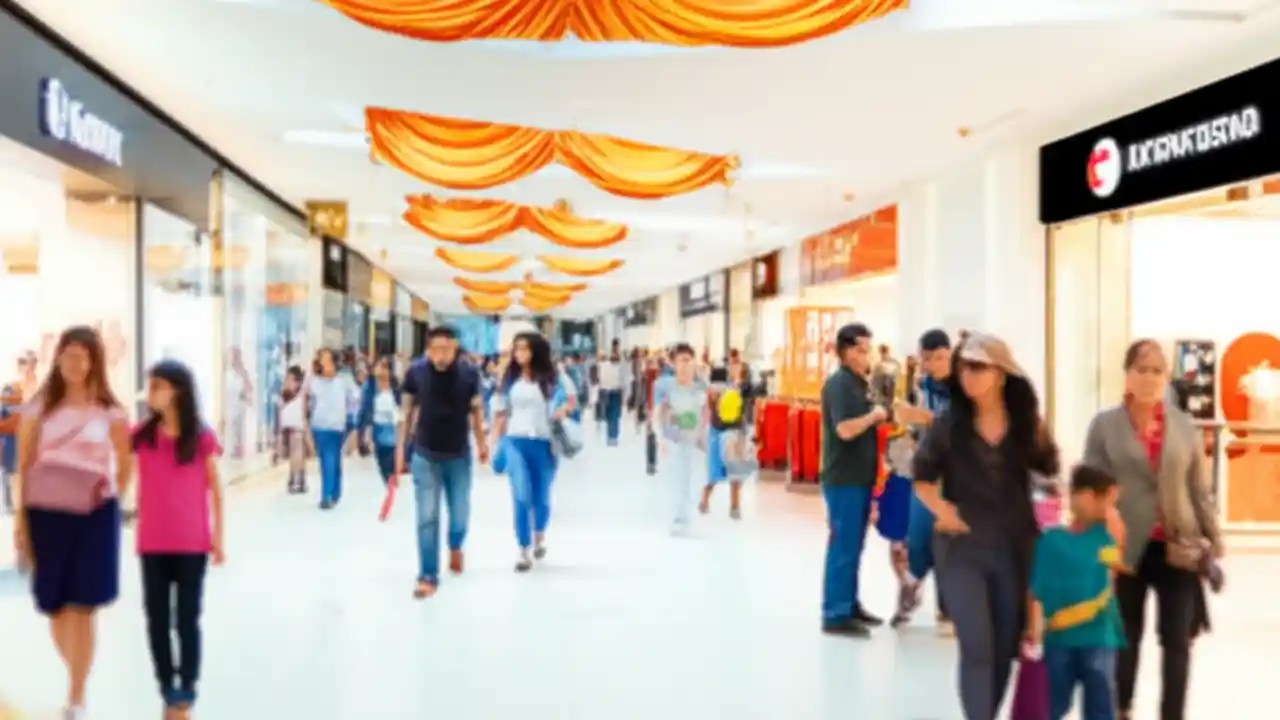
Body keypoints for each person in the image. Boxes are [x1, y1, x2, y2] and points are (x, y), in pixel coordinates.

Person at [911, 332, 1060, 720]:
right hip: (962, 548)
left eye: (978, 366)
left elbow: (1050, 478)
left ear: (1001, 373)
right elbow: (922, 476)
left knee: (1004, 646)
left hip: (1015, 548)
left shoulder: (1027, 425)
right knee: (977, 644)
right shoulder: (949, 425)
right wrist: (941, 511)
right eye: (963, 366)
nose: (968, 375)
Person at [1082, 339, 1221, 720]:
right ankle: (1122, 706)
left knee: (1177, 639)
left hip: (1177, 545)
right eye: (1141, 369)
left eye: (1157, 370)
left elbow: (1198, 487)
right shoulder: (1105, 425)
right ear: (1126, 374)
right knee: (1125, 636)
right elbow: (1089, 485)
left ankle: (1172, 714)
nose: (1148, 378)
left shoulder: (1184, 426)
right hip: (1124, 547)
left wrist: (1215, 539)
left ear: (1167, 377)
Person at [12, 326, 132, 719]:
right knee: (55, 606)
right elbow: (23, 466)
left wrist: (110, 495)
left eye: (83, 356)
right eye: (68, 354)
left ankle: (76, 692)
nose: (75, 363)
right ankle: (76, 673)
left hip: (95, 517)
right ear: (58, 358)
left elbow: (125, 463)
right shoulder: (37, 408)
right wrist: (21, 521)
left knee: (84, 606)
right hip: (46, 516)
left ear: (95, 362)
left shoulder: (111, 411)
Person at [131, 360, 225, 719]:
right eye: (150, 385)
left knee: (186, 619)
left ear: (177, 391)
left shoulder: (200, 437)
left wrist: (219, 536)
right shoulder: (141, 435)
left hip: (191, 543)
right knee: (155, 618)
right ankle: (166, 684)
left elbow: (215, 488)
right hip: (152, 542)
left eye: (157, 386)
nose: (151, 392)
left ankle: (187, 684)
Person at [1027, 465, 1126, 720]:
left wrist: (1110, 511)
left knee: (1100, 708)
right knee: (1051, 707)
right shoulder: (1051, 540)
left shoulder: (1105, 535)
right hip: (1059, 638)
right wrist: (1032, 633)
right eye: (1095, 496)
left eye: (1103, 498)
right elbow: (1036, 591)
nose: (1100, 504)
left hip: (1100, 636)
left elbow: (1115, 562)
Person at [395, 326, 487, 599]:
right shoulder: (416, 372)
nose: (440, 355)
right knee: (426, 516)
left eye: (446, 349)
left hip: (458, 454)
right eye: (435, 350)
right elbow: (406, 412)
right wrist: (401, 449)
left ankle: (456, 543)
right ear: (427, 350)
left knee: (459, 512)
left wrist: (482, 443)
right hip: (425, 453)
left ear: (455, 348)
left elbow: (476, 412)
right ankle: (427, 575)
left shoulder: (470, 374)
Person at [818, 323, 889, 637]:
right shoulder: (839, 385)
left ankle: (849, 603)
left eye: (868, 348)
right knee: (843, 544)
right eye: (861, 349)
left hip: (859, 477)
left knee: (854, 544)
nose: (866, 355)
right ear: (845, 352)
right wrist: (874, 416)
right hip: (843, 478)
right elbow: (845, 429)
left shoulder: (859, 383)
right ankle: (835, 612)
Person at [489, 332, 576, 572]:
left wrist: (563, 411)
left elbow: (572, 400)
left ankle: (539, 534)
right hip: (515, 442)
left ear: (536, 351)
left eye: (525, 349)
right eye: (516, 349)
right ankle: (523, 549)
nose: (519, 354)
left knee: (541, 498)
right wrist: (493, 442)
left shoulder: (553, 377)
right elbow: (500, 411)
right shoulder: (509, 378)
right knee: (520, 494)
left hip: (544, 444)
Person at [893, 328, 955, 632]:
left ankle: (948, 610)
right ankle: (907, 599)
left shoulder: (965, 388)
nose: (933, 365)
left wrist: (926, 418)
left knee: (949, 543)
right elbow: (907, 430)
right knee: (916, 541)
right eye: (927, 359)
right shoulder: (918, 388)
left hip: (956, 480)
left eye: (940, 357)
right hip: (924, 476)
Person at [654, 344, 709, 535]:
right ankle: (676, 517)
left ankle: (686, 517)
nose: (686, 364)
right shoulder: (664, 385)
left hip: (693, 439)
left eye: (689, 360)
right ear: (673, 363)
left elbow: (705, 410)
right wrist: (659, 437)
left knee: (691, 478)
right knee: (675, 478)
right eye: (681, 360)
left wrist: (703, 435)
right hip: (673, 438)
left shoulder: (700, 385)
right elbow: (658, 411)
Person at [304, 349, 359, 510]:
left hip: (337, 425)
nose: (326, 363)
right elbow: (307, 399)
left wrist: (348, 413)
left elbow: (355, 397)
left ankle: (329, 494)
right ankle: (331, 493)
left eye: (328, 359)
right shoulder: (313, 380)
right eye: (323, 359)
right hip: (319, 425)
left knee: (332, 457)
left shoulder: (344, 380)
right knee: (327, 459)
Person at [361, 357, 402, 485]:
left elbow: (401, 407)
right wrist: (367, 431)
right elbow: (367, 411)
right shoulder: (371, 390)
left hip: (392, 426)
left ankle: (392, 475)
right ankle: (387, 476)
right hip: (378, 426)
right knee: (380, 454)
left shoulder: (395, 391)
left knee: (391, 452)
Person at [278, 366, 308, 494]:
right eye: (287, 379)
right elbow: (279, 414)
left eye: (291, 379)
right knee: (293, 455)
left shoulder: (301, 395)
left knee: (298, 454)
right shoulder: (282, 396)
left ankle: (297, 480)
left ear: (297, 382)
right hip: (287, 429)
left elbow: (304, 412)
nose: (287, 382)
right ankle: (297, 478)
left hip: (298, 428)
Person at [598, 347, 624, 446]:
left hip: (605, 392)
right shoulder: (618, 368)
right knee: (614, 415)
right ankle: (613, 437)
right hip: (615, 392)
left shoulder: (604, 366)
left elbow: (600, 379)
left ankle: (610, 436)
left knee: (609, 415)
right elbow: (622, 382)